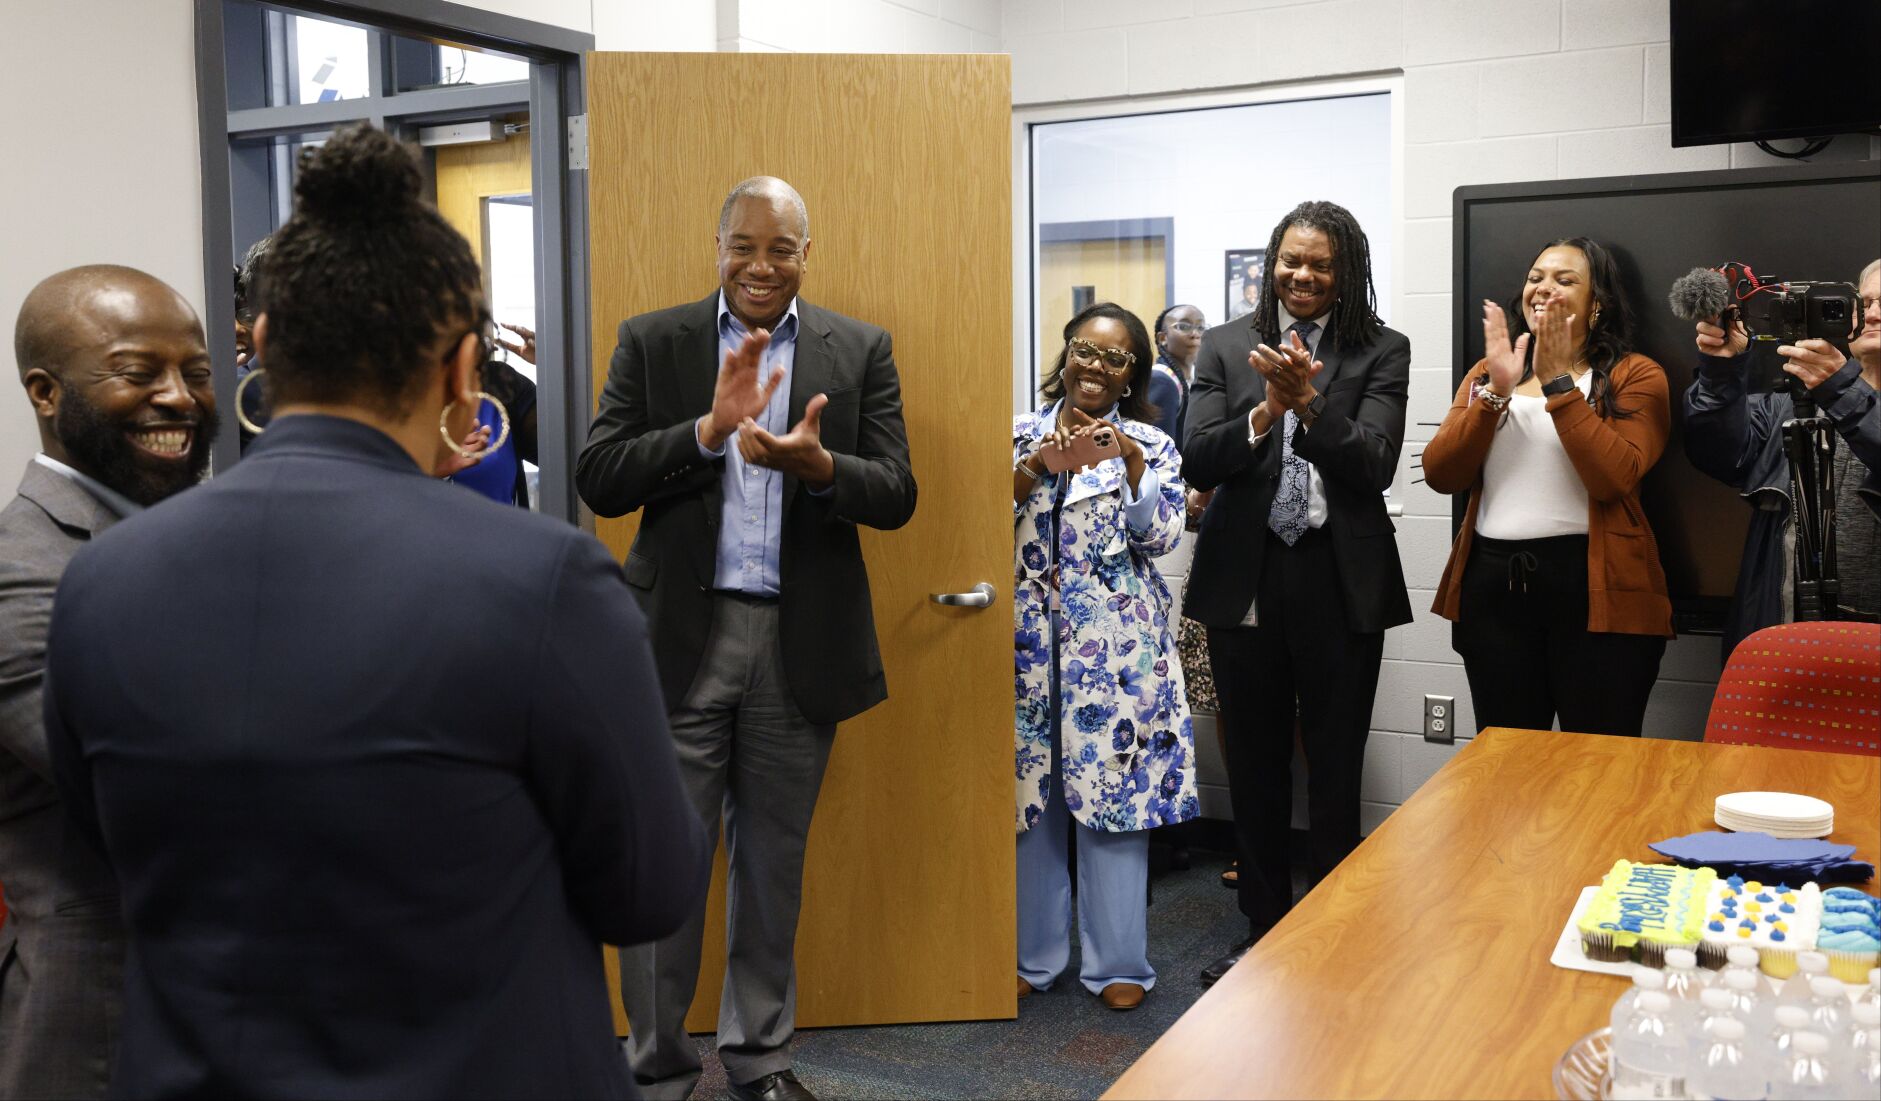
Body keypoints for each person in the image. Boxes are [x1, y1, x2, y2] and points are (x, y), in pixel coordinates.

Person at [41, 124, 709, 1098]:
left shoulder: (102, 579)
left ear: (263, 348)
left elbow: (105, 849)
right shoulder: (540, 580)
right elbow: (648, 889)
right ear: (464, 369)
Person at [576, 176, 916, 1101]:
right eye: (744, 246)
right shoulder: (655, 340)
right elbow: (600, 475)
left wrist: (821, 466)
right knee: (665, 861)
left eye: (781, 249)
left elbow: (896, 490)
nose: (761, 266)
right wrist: (703, 430)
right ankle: (655, 1065)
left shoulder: (858, 348)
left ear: (807, 253)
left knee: (772, 866)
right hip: (680, 640)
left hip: (799, 644)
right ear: (718, 246)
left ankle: (759, 1057)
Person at [1181, 200, 1412, 985]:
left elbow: (1373, 462)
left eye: (1319, 263)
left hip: (1336, 574)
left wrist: (1308, 403)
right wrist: (1265, 411)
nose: (1301, 275)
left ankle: (1333, 930)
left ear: (1345, 272)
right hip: (1244, 576)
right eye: (1290, 260)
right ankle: (1263, 930)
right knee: (1253, 763)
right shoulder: (1223, 345)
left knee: (1335, 762)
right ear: (1270, 263)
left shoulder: (1382, 349)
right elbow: (1197, 457)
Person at [1, 263, 216, 1100]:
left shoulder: (209, 542)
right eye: (138, 372)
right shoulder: (22, 570)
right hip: (104, 1026)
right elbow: (146, 782)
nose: (179, 398)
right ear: (46, 392)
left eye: (196, 371)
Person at [1011, 302, 1196, 1013]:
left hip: (1117, 653)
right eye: (1084, 350)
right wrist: (1036, 466)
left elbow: (1161, 538)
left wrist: (1130, 465)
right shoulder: (1019, 433)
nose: (1095, 366)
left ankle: (1118, 963)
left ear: (1130, 376)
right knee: (1031, 801)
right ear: (1065, 354)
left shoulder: (1151, 444)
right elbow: (976, 519)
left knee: (1113, 797)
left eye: (1114, 358)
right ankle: (1033, 957)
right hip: (1027, 646)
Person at [1424, 237, 1674, 737]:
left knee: (1597, 764)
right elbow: (1441, 474)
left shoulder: (1636, 374)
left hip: (1595, 595)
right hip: (1493, 592)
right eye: (1535, 277)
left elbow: (1614, 479)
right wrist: (1495, 393)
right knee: (1506, 760)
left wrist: (1559, 383)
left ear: (1596, 303)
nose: (1543, 289)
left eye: (1564, 280)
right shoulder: (1488, 373)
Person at [1685, 258, 1881, 657]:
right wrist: (1721, 370)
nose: (1874, 313)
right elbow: (1717, 454)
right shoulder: (1790, 407)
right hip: (1787, 628)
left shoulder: (1836, 391)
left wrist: (1842, 389)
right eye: (1866, 302)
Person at [1146, 304, 1204, 444]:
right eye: (1184, 326)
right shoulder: (1161, 380)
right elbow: (1160, 450)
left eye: (1201, 328)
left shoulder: (1192, 379)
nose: (1195, 334)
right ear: (1163, 338)